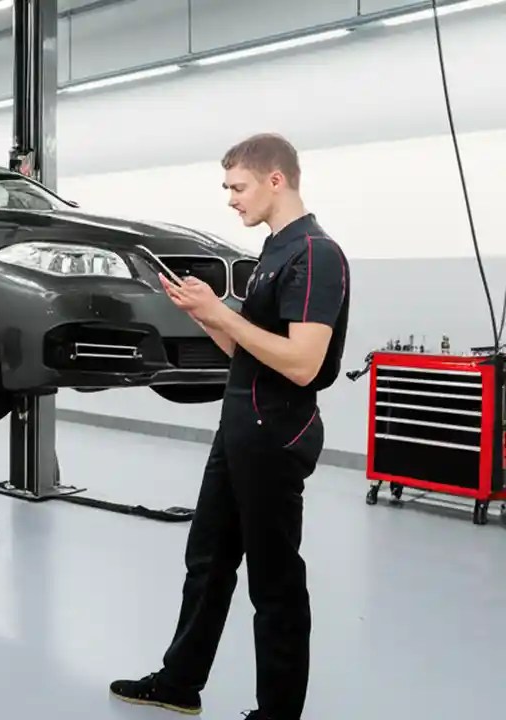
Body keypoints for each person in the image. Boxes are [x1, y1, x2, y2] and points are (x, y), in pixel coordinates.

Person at [109, 133, 350, 720]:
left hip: (275, 434)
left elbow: (302, 362)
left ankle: (278, 715)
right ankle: (180, 682)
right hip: (240, 425)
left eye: (237, 187)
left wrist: (223, 313)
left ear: (276, 181)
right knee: (209, 560)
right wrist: (207, 313)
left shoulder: (315, 254)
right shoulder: (273, 251)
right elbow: (247, 350)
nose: (230, 200)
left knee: (275, 582)